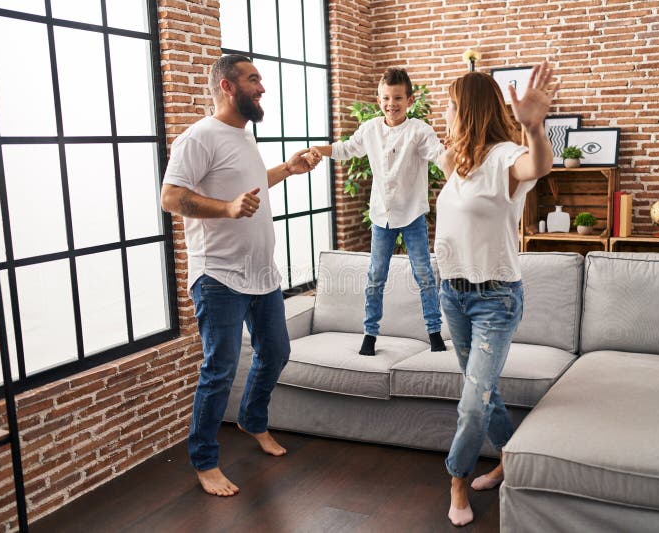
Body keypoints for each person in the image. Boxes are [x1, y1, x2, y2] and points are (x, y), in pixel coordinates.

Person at [160, 54, 321, 497]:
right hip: (218, 276)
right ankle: (205, 460)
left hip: (261, 274)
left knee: (276, 351)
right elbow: (170, 197)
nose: (262, 87)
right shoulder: (198, 137)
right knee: (220, 369)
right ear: (227, 87)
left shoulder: (243, 135)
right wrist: (227, 209)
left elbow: (246, 186)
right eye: (253, 79)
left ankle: (252, 419)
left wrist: (287, 169)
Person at [434, 61, 559, 526]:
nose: (444, 113)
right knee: (482, 390)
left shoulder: (507, 157)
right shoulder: (455, 162)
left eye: (449, 106)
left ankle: (457, 480)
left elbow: (538, 165)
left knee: (472, 402)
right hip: (453, 295)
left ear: (467, 110)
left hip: (495, 300)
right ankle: (508, 456)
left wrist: (535, 128)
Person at [311, 68, 446, 356]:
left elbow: (439, 155)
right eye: (386, 98)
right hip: (381, 217)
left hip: (412, 216)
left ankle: (434, 333)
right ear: (378, 99)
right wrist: (319, 150)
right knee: (375, 277)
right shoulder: (370, 128)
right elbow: (347, 149)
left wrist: (458, 156)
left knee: (424, 275)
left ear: (409, 100)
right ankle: (370, 335)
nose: (391, 104)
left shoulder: (419, 131)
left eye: (397, 98)